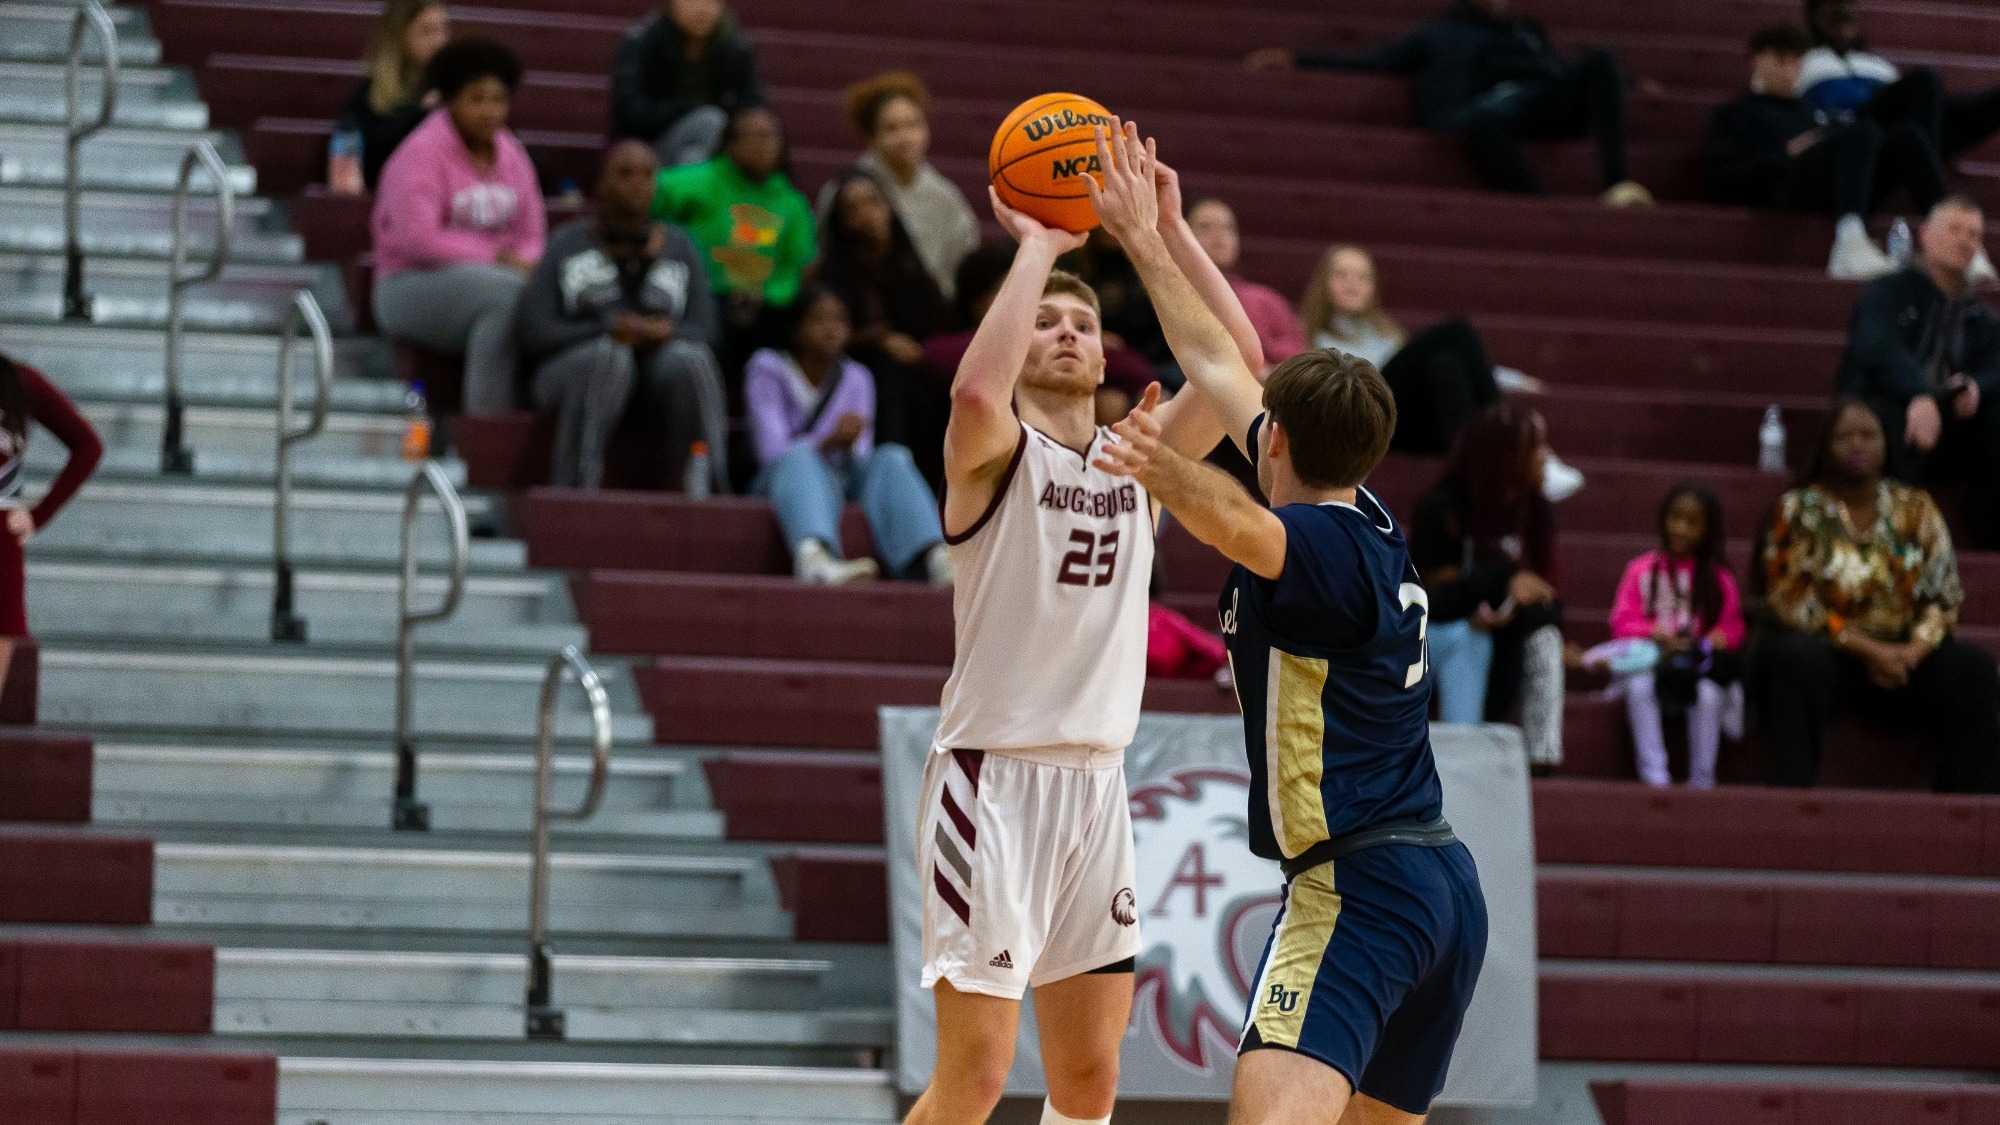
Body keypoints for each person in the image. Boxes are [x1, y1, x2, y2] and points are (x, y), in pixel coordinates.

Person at [1084, 124, 1488, 1125]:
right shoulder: (1363, 513)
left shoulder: (1311, 543)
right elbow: (1222, 357)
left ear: (1282, 444)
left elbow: (1229, 518)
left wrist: (1151, 460)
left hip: (1356, 884)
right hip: (1440, 884)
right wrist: (1160, 233)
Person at [907, 124, 1265, 1125]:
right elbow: (974, 387)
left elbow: (1238, 363)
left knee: (1088, 1082)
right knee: (973, 1080)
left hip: (1097, 786)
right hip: (993, 781)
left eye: (1083, 321)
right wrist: (1039, 247)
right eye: (1045, 323)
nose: (1067, 330)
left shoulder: (1136, 456)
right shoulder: (989, 451)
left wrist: (1167, 231)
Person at [1755, 397, 1999, 794]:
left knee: (1973, 670)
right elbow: (1790, 600)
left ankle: (1961, 810)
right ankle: (1790, 797)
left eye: (1868, 434)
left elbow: (1944, 595)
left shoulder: (1915, 508)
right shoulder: (1799, 509)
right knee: (1793, 658)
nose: (1857, 445)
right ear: (1825, 446)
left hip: (1904, 657)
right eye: (1844, 437)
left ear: (1886, 442)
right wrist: (1869, 650)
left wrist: (1913, 651)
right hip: (1832, 655)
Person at [1247, 0, 1652, 205]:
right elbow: (1377, 60)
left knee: (1600, 58)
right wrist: (1300, 59)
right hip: (1487, 112)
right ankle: (1540, 206)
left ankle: (1619, 187)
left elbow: (1562, 68)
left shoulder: (1524, 30)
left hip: (1540, 102)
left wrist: (1626, 81)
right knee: (1481, 125)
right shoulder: (1442, 32)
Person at [514, 139, 728, 491]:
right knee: (608, 357)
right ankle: (577, 487)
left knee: (692, 359)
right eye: (625, 174)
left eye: (647, 174)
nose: (638, 183)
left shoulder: (680, 244)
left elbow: (707, 331)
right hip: (572, 371)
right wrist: (606, 329)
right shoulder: (568, 241)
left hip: (656, 376)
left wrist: (667, 331)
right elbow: (533, 330)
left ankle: (707, 486)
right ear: (602, 183)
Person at [372, 37, 545, 417]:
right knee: (507, 294)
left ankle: (493, 433)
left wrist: (523, 262)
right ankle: (486, 422)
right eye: (476, 99)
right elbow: (419, 240)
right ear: (450, 100)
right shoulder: (420, 153)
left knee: (515, 299)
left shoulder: (512, 153)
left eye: (498, 99)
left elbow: (532, 234)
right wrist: (498, 259)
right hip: (407, 285)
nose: (489, 111)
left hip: (492, 284)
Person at [1705, 24, 1947, 280]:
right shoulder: (1733, 115)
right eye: (1780, 61)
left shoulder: (1812, 112)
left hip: (1836, 188)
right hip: (1782, 190)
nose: (1789, 71)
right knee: (1861, 131)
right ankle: (1850, 240)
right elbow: (1724, 179)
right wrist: (1784, 154)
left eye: (1796, 62)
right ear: (1757, 60)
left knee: (1905, 135)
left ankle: (1949, 227)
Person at [743, 286, 944, 585]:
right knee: (799, 456)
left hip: (841, 479)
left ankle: (937, 559)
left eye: (840, 321)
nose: (831, 330)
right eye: (819, 320)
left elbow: (861, 455)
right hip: (782, 482)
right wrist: (827, 442)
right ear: (797, 328)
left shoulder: (858, 376)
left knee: (891, 456)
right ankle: (814, 559)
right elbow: (771, 453)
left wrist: (847, 444)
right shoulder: (767, 367)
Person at [1834, 196, 2000, 548]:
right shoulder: (1885, 290)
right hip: (1891, 412)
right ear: (1924, 234)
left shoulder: (1980, 315)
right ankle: (1877, 533)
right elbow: (1875, 346)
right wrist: (1920, 393)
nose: (1964, 241)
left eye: (1973, 234)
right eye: (1954, 229)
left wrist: (1975, 388)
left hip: (1951, 429)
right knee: (1882, 414)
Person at [1410, 403, 1567, 773]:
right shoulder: (1442, 507)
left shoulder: (1535, 511)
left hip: (1500, 626)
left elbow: (1546, 593)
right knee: (1469, 637)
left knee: (1543, 635)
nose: (1545, 457)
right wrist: (1501, 582)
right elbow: (1430, 600)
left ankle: (1540, 757)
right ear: (1504, 456)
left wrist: (1513, 603)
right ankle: (1462, 757)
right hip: (1440, 631)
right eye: (1534, 447)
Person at [651, 106, 815, 370]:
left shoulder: (792, 202)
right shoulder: (704, 179)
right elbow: (651, 192)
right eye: (754, 136)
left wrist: (767, 294)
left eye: (771, 136)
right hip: (706, 296)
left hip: (765, 306)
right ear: (730, 143)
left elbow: (795, 267)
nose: (764, 145)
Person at [814, 170, 950, 486]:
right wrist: (879, 340)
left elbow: (938, 331)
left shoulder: (914, 268)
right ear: (841, 222)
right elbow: (824, 338)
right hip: (854, 380)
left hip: (918, 382)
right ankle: (894, 478)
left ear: (890, 207)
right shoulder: (829, 274)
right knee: (888, 370)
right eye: (853, 209)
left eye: (873, 202)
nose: (866, 214)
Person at [1606, 484, 1746, 789]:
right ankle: (1654, 774)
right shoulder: (1641, 570)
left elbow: (1733, 627)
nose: (1680, 528)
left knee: (1709, 697)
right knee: (1640, 689)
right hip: (1651, 662)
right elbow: (1621, 620)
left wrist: (1715, 639)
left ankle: (1702, 777)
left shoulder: (1718, 577)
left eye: (1692, 522)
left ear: (1708, 530)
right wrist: (1654, 634)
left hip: (1698, 666)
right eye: (1675, 518)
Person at [820, 72, 979, 301]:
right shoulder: (845, 189)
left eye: (914, 125)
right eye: (892, 128)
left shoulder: (945, 196)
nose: (906, 137)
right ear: (872, 137)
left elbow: (961, 263)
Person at [1799, 0, 2000, 165]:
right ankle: (1930, 165)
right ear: (1815, 18)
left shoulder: (1878, 65)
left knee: (1965, 102)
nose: (1843, 25)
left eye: (1848, 17)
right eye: (1835, 17)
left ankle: (1927, 160)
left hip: (1903, 131)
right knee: (1925, 78)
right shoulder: (1802, 62)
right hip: (1857, 128)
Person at [0, 349, 102, 637]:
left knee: (9, 674)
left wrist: (38, 515)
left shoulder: (17, 381)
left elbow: (88, 446)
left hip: (2, 550)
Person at [609, 0, 762, 167]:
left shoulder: (735, 48)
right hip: (648, 150)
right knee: (710, 121)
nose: (703, 8)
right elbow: (630, 114)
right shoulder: (642, 40)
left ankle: (683, 190)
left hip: (716, 153)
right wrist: (690, 108)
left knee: (694, 155)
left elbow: (753, 110)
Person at [337, 0, 450, 189]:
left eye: (443, 30)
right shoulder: (370, 92)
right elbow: (366, 166)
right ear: (399, 35)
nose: (439, 42)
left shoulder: (452, 89)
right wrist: (420, 112)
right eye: (426, 31)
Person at [1185, 197, 1308, 370]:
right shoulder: (1171, 294)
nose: (1218, 235)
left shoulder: (1266, 300)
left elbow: (1298, 354)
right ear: (1183, 235)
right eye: (1205, 227)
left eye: (1227, 228)